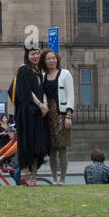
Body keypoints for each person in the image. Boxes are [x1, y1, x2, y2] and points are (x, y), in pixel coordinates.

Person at [8, 46, 49, 186]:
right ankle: (25, 174)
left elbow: (41, 90)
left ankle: (33, 176)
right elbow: (27, 91)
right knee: (27, 144)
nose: (36, 56)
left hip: (37, 113)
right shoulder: (24, 70)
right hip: (27, 114)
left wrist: (44, 105)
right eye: (32, 54)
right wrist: (40, 105)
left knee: (37, 145)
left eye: (37, 54)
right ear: (27, 55)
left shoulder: (38, 72)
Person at [41, 48, 75, 184]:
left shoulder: (65, 74)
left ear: (57, 59)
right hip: (48, 116)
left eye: (53, 58)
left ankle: (62, 178)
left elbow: (70, 95)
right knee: (51, 149)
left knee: (62, 147)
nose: (51, 60)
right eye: (48, 58)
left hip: (61, 115)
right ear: (44, 61)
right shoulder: (42, 77)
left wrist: (68, 115)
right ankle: (54, 178)